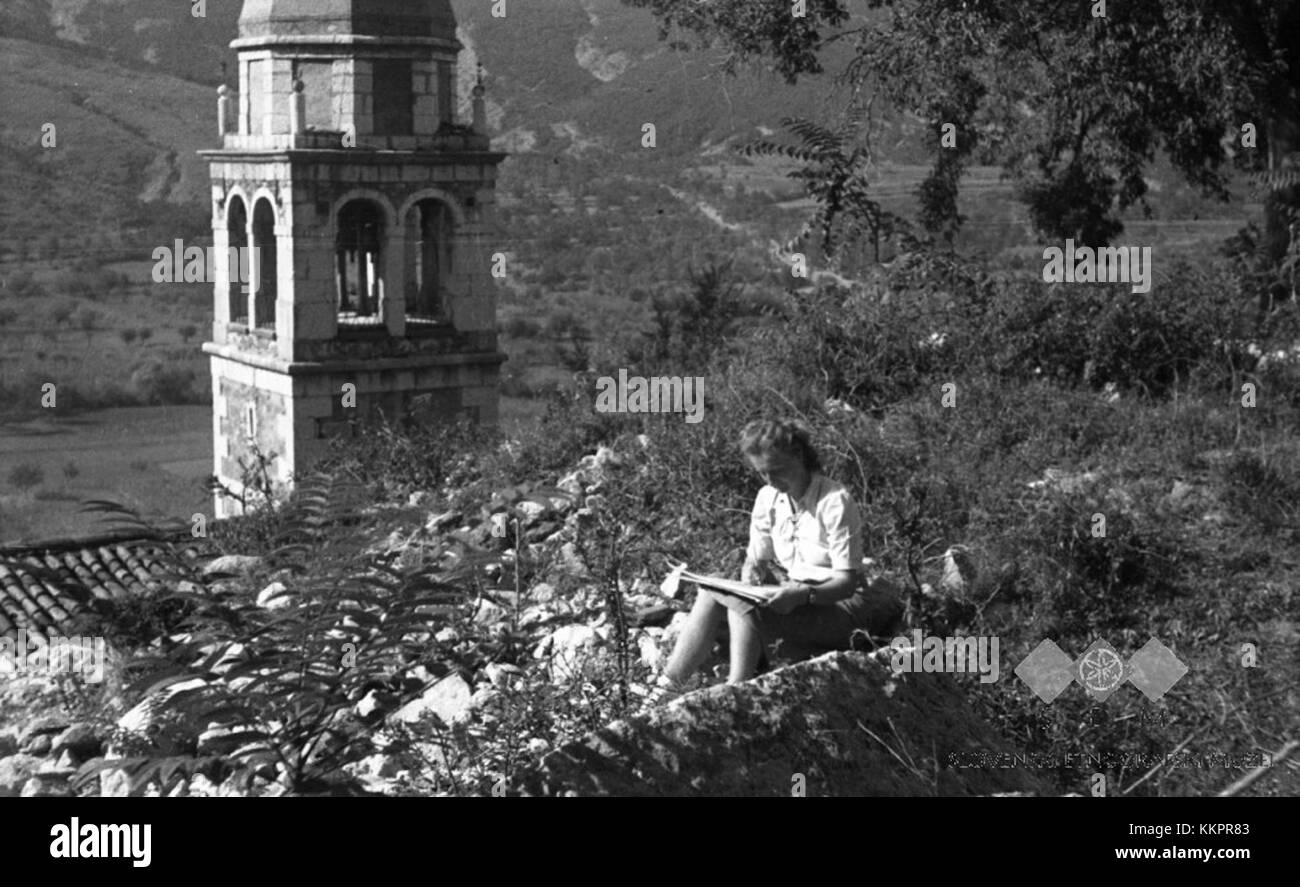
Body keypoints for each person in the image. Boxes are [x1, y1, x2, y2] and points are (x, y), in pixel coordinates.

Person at [648, 419, 902, 705]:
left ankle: (736, 692)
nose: (771, 481)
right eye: (762, 473)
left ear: (800, 456)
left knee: (742, 605)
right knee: (711, 592)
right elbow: (755, 557)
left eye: (778, 470)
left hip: (840, 605)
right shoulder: (768, 498)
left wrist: (803, 594)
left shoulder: (834, 501)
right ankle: (663, 691)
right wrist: (752, 571)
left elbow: (846, 583)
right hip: (795, 593)